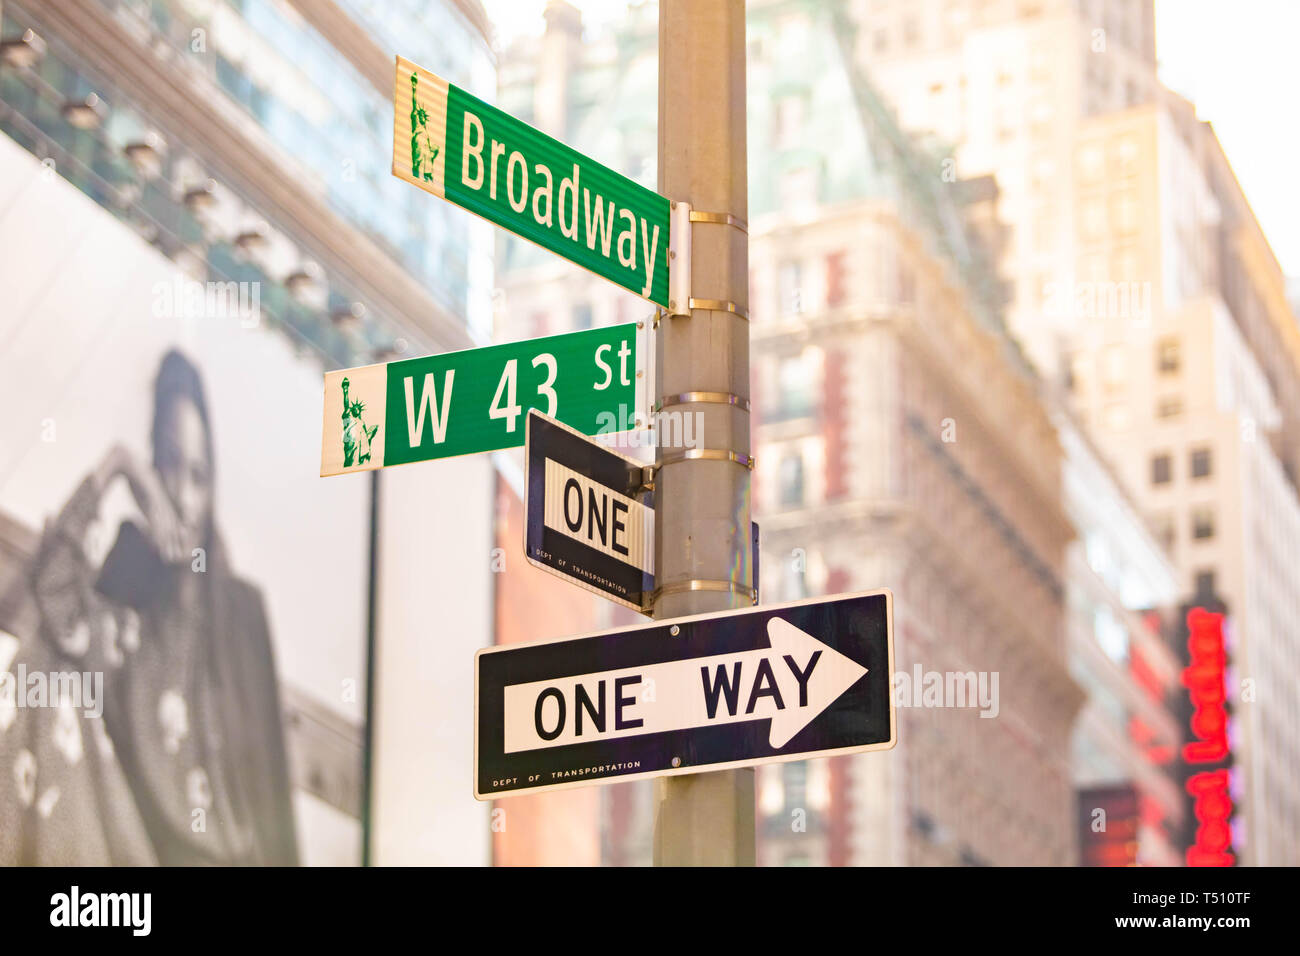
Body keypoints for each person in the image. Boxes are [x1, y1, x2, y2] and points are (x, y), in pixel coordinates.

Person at [0, 349, 298, 865]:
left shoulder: (240, 613)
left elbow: (274, 805)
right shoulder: (128, 581)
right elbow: (46, 603)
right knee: (44, 671)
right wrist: (116, 464)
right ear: (151, 471)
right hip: (134, 858)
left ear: (214, 487)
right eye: (168, 464)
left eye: (199, 476)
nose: (183, 497)